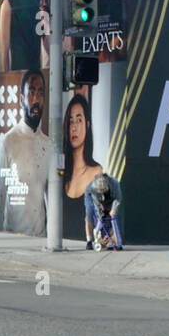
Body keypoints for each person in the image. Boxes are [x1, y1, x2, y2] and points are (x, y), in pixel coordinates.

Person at [0, 70, 52, 236]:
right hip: (12, 240)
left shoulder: (49, 145)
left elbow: (50, 200)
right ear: (21, 99)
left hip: (41, 240)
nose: (36, 99)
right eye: (31, 92)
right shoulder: (9, 141)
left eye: (40, 93)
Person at [61, 94, 104, 248]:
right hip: (61, 249)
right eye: (70, 121)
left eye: (79, 120)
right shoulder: (60, 173)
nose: (74, 127)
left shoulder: (96, 172)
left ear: (87, 124)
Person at [85, 173, 125, 251]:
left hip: (110, 199)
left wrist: (113, 209)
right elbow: (97, 206)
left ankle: (113, 241)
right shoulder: (93, 188)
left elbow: (118, 199)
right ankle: (89, 240)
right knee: (90, 213)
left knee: (113, 217)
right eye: (100, 191)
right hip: (90, 195)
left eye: (103, 190)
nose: (102, 192)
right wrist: (101, 216)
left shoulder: (115, 184)